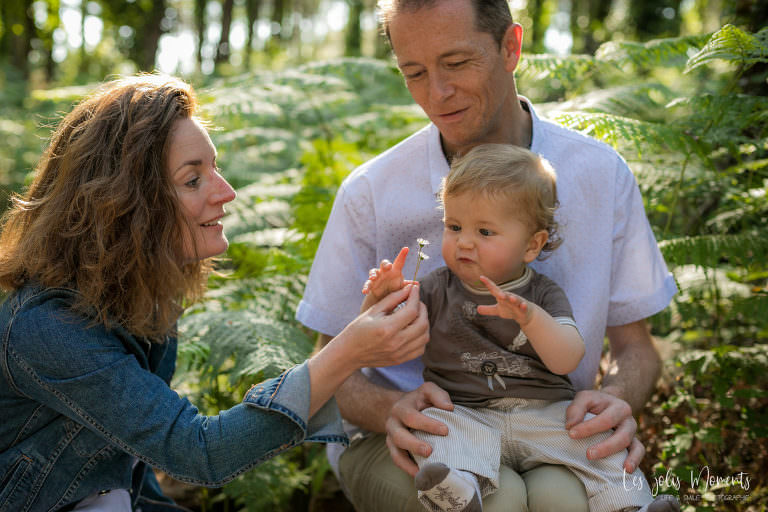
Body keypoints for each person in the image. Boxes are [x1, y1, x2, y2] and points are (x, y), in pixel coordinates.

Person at [295, 0, 678, 510]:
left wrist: (615, 402)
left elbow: (636, 348)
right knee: (500, 502)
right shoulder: (372, 191)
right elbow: (328, 366)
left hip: (549, 426)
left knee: (562, 500)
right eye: (414, 73)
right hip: (415, 437)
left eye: (456, 63)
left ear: (510, 47)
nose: (437, 93)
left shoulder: (600, 174)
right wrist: (390, 407)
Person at [0, 74, 429, 512]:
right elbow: (199, 451)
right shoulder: (47, 330)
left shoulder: (139, 299)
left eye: (215, 168)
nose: (226, 192)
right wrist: (348, 351)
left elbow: (129, 469)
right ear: (123, 202)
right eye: (193, 180)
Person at [360, 144, 679, 512]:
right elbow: (384, 335)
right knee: (434, 425)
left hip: (543, 414)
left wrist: (531, 319)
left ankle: (631, 506)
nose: (464, 241)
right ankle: (459, 492)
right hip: (467, 413)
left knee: (598, 440)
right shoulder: (435, 288)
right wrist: (381, 297)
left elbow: (567, 359)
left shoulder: (542, 293)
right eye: (454, 226)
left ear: (532, 245)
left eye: (484, 231)